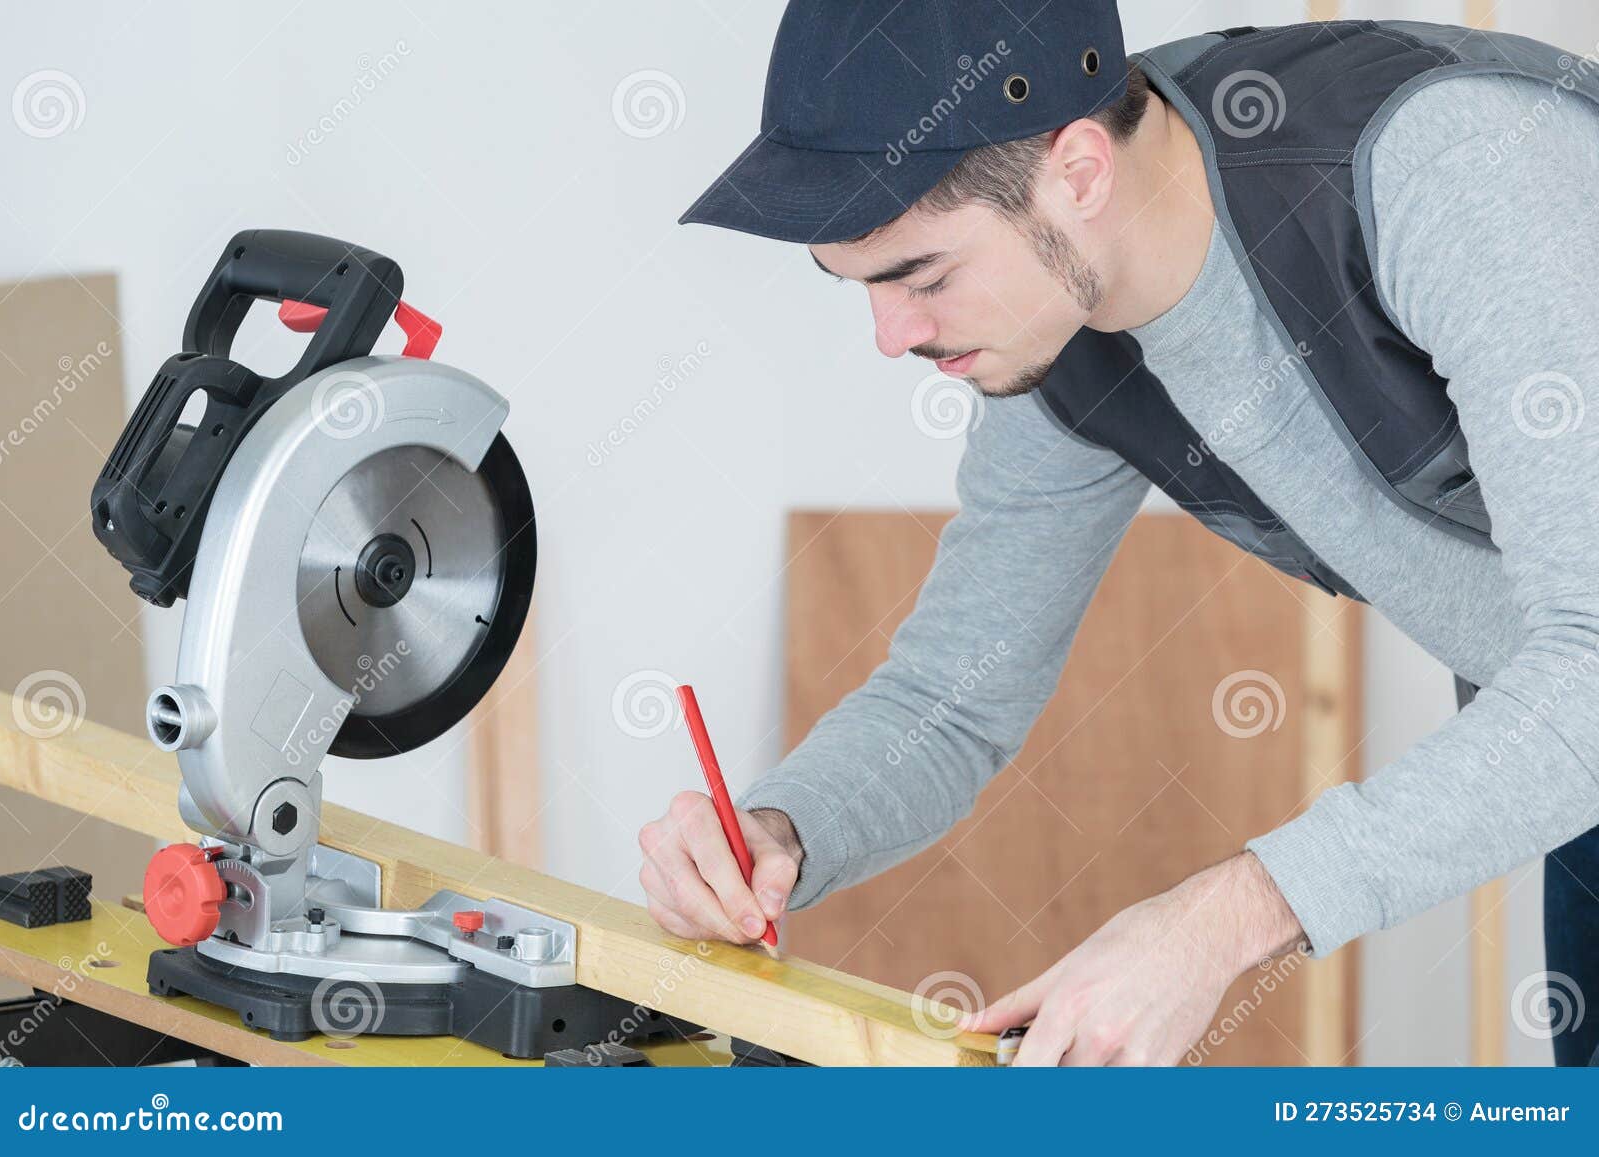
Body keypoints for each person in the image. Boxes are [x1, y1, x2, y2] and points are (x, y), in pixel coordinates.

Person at [638, 0, 1599, 1066]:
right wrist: (779, 832)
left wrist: (1219, 917)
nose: (890, 336)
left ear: (1080, 173)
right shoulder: (1065, 337)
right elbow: (950, 698)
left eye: (923, 276)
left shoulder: (1446, 173)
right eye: (858, 285)